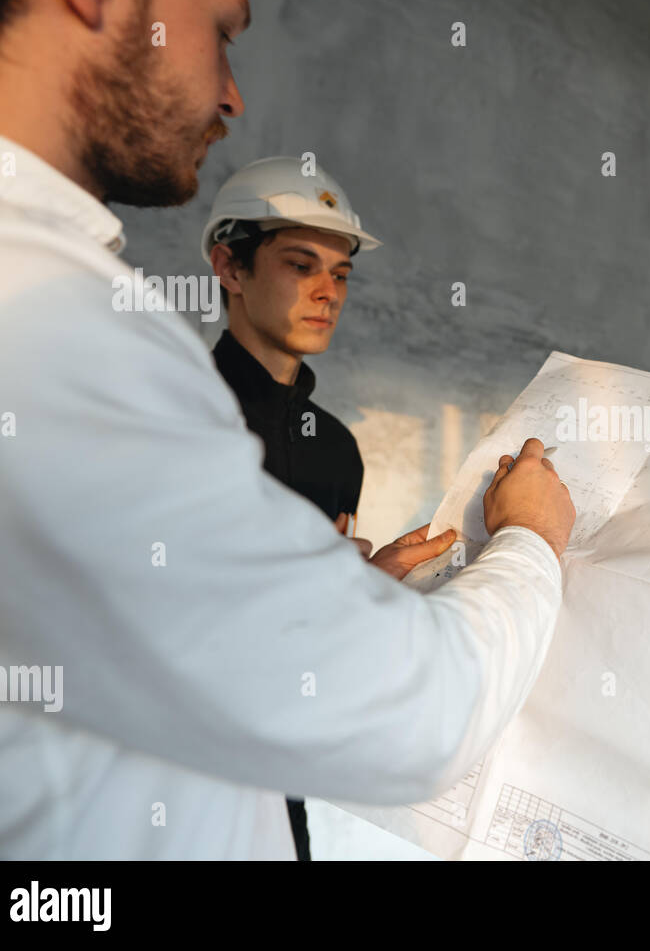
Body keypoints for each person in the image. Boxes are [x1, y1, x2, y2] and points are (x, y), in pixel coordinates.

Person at [0, 0, 575, 859]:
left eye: (341, 272)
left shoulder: (30, 294)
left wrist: (342, 597)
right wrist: (533, 543)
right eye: (221, 29)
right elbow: (412, 713)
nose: (233, 95)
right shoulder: (46, 324)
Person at [205, 156, 459, 859]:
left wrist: (363, 590)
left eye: (341, 273)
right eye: (300, 264)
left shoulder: (336, 451)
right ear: (231, 267)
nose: (328, 291)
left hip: (281, 802)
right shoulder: (173, 417)